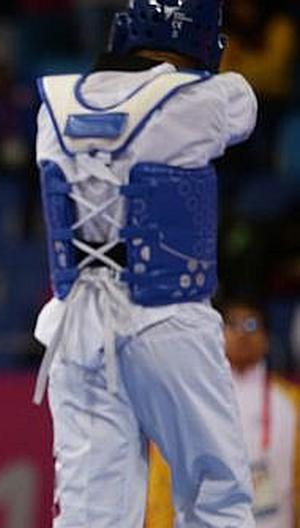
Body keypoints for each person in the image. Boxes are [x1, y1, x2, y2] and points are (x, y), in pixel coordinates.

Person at [31, 0, 259, 526]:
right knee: (216, 496)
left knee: (91, 512)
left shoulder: (55, 101)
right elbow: (243, 111)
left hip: (76, 328)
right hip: (166, 320)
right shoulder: (203, 98)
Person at [146, 298, 300, 528]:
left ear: (267, 339)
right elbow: (162, 482)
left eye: (251, 326)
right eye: (232, 325)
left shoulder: (292, 401)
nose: (242, 334)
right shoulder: (188, 399)